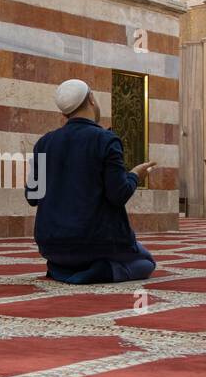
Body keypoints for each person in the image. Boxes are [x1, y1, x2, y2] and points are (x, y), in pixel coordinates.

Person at [26, 79, 157, 284]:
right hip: (97, 244)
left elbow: (32, 197)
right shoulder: (105, 140)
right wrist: (134, 175)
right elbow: (118, 194)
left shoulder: (43, 143)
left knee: (68, 259)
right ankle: (95, 272)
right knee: (146, 262)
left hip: (51, 246)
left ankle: (62, 270)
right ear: (91, 99)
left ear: (64, 113)